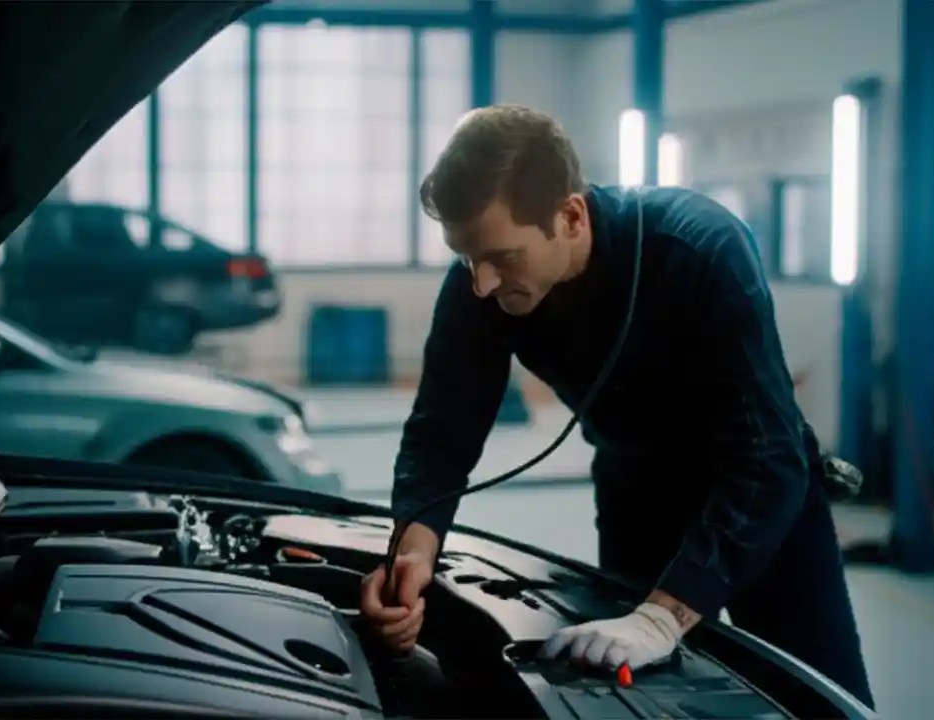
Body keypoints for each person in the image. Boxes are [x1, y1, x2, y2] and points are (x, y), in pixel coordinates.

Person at [358, 104, 874, 707]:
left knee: (821, 698)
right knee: (633, 697)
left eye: (503, 257)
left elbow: (768, 453)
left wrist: (661, 618)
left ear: (570, 216)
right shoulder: (483, 284)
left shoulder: (699, 250)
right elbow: (440, 433)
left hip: (760, 495)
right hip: (636, 493)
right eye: (468, 259)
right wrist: (411, 556)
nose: (482, 285)